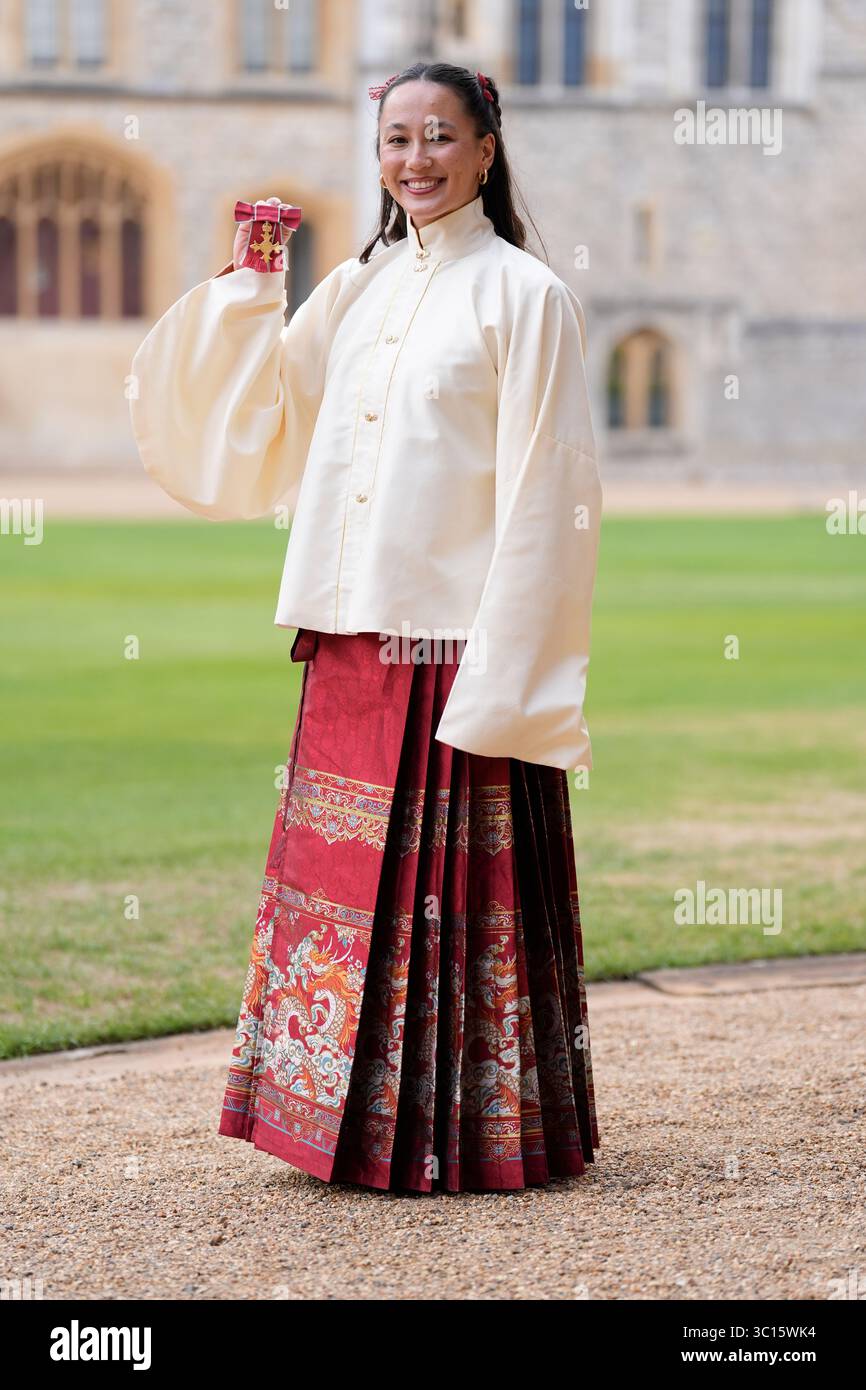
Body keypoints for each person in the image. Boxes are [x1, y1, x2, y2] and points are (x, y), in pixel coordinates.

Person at [129, 61, 602, 1193]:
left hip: (449, 656)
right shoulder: (360, 286)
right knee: (339, 903)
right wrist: (254, 287)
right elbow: (261, 426)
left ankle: (470, 1136)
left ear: (486, 146)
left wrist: (507, 677)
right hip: (345, 646)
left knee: (443, 909)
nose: (416, 160)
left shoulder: (525, 295)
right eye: (395, 140)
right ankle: (331, 1132)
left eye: (439, 136)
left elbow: (550, 495)